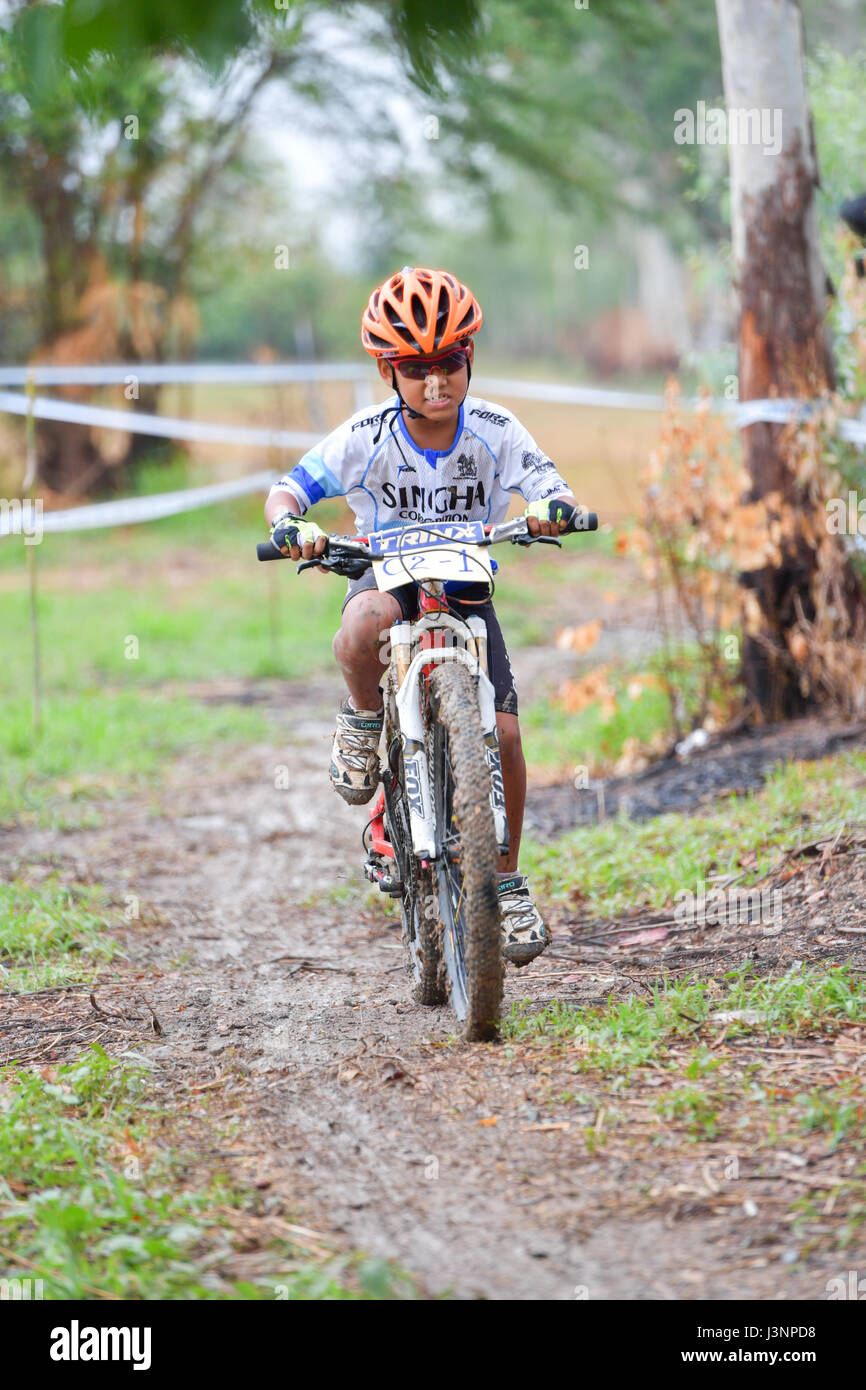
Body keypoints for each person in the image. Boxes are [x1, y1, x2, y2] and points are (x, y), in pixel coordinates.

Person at [264, 267, 580, 965]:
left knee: (502, 733)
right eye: (416, 371)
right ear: (388, 371)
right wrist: (293, 527)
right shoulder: (366, 435)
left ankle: (505, 881)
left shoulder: (497, 429)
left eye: (449, 366)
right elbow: (289, 490)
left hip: (466, 590)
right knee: (363, 619)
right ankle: (362, 719)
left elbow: (548, 484)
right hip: (390, 579)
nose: (436, 385)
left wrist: (552, 508)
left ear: (469, 360)